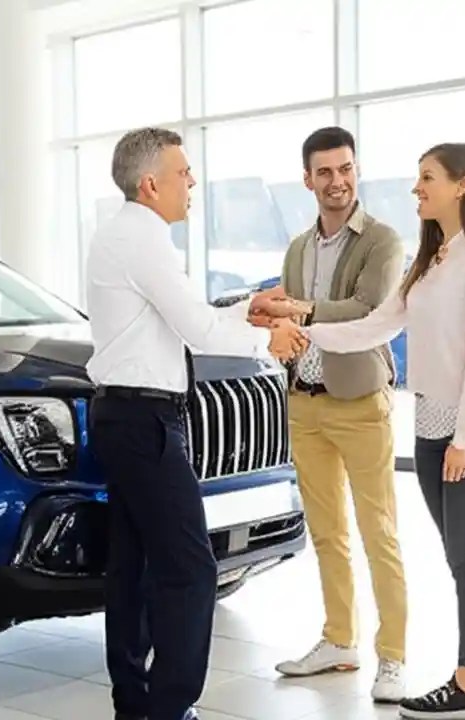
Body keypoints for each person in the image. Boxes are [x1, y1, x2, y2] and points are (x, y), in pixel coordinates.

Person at [85, 127, 306, 720]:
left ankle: (135, 704)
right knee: (190, 568)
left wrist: (248, 309)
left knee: (133, 569)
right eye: (184, 173)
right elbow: (198, 330)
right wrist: (268, 336)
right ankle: (171, 708)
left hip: (128, 415)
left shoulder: (127, 234)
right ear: (150, 182)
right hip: (143, 419)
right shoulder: (143, 237)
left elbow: (176, 317)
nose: (193, 183)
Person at [302, 142, 465, 720]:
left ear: (462, 185)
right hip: (427, 426)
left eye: (427, 178)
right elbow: (374, 326)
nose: (416, 188)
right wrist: (307, 331)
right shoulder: (432, 258)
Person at [247, 126, 409, 703]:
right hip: (305, 402)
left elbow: (367, 308)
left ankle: (393, 658)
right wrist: (273, 321)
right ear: (308, 179)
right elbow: (293, 324)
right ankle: (340, 640)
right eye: (325, 172)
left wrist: (300, 307)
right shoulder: (298, 247)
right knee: (327, 533)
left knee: (378, 532)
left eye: (345, 169)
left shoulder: (383, 241)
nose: (336, 181)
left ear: (356, 171)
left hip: (361, 401)